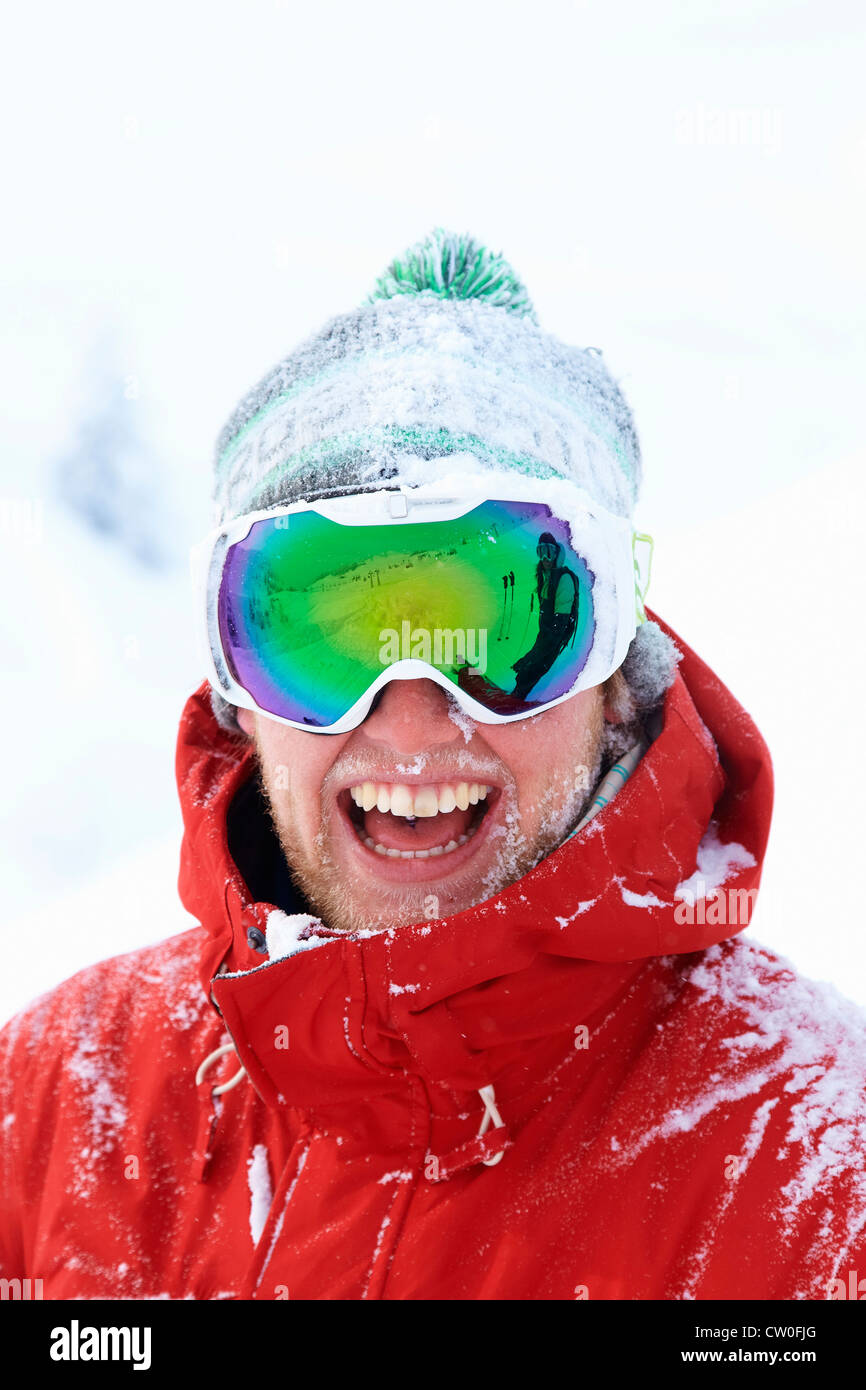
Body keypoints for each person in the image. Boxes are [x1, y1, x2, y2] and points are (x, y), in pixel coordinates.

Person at [1, 228, 864, 1303]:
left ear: (613, 673)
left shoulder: (814, 1179)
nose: (411, 728)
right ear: (236, 689)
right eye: (323, 637)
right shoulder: (53, 1105)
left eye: (497, 626)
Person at [511, 531, 579, 700]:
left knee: (536, 666)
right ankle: (518, 692)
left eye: (549, 552)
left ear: (556, 553)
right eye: (541, 552)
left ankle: (519, 696)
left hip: (555, 634)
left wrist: (538, 651)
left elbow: (559, 623)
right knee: (532, 663)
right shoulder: (546, 576)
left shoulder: (564, 579)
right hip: (546, 631)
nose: (545, 558)